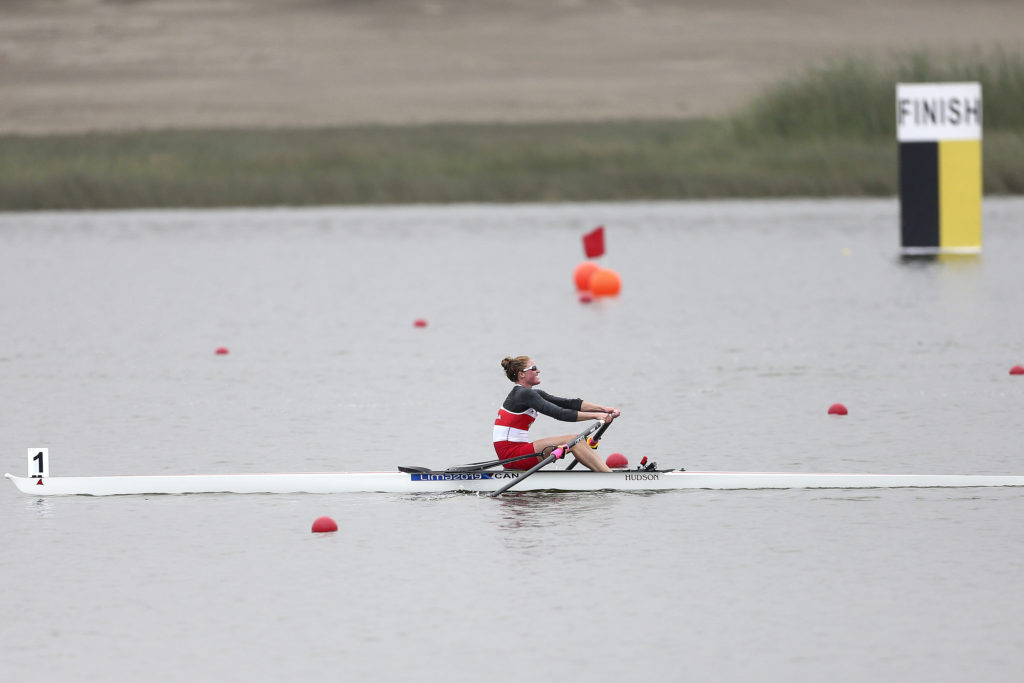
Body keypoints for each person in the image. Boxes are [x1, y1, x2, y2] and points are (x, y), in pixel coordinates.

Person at [494, 356, 620, 472]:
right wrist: (596, 416)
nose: (538, 371)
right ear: (521, 374)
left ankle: (607, 473)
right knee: (574, 440)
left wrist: (603, 409)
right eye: (533, 368)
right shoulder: (524, 394)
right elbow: (560, 414)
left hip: (517, 451)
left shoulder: (530, 394)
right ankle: (610, 477)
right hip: (512, 455)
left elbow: (568, 404)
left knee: (578, 440)